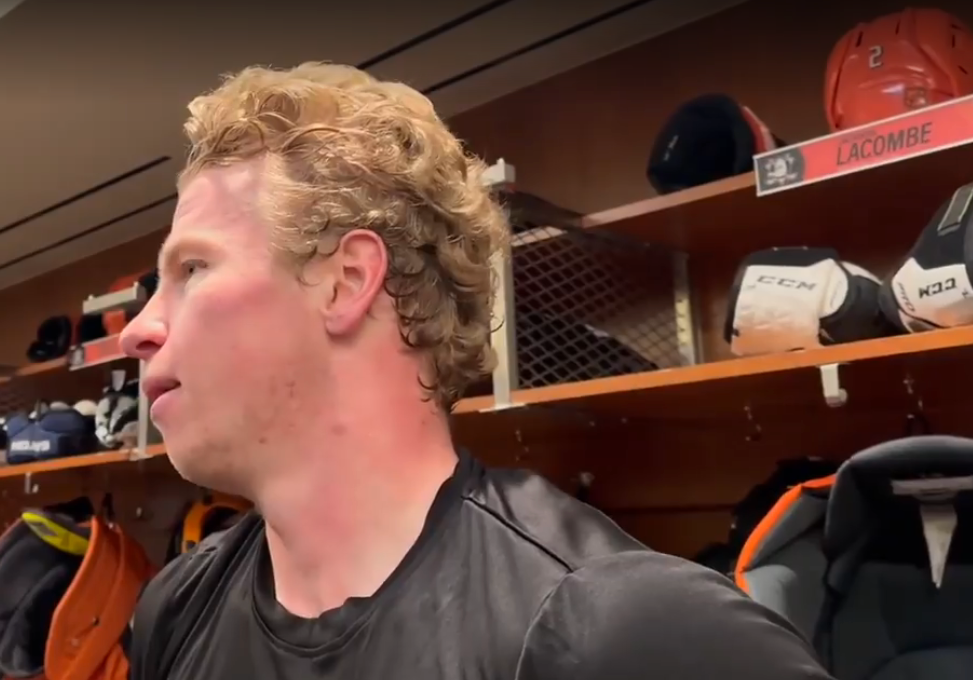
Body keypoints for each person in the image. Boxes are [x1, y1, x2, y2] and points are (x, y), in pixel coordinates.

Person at [119, 62, 832, 679]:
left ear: (346, 279)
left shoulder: (623, 632)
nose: (141, 331)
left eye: (192, 268)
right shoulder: (176, 610)